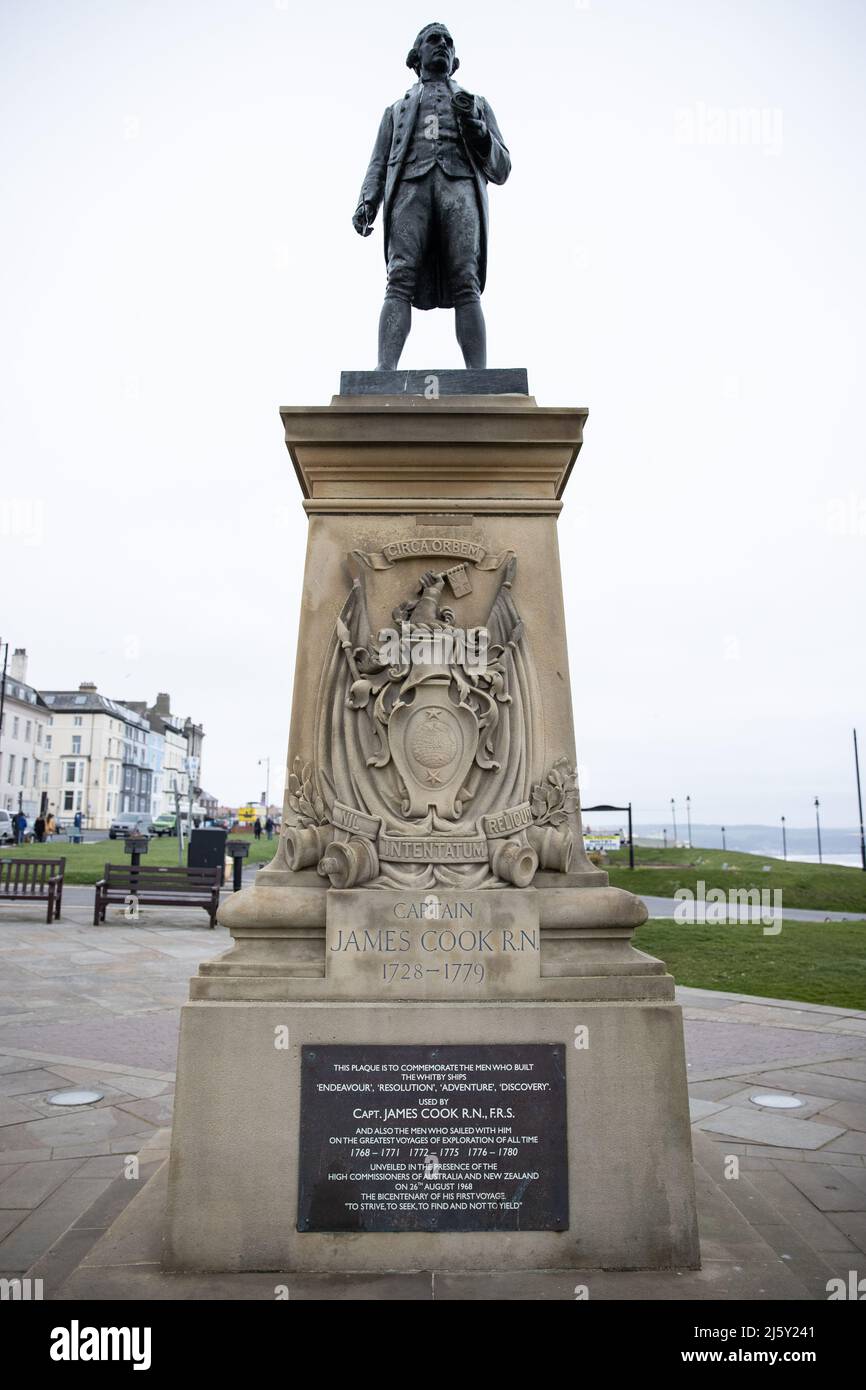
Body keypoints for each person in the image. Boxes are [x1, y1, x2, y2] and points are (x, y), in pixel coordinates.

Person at [353, 22, 511, 370]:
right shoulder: (396, 110)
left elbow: (502, 168)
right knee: (399, 278)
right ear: (416, 56)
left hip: (460, 189)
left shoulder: (477, 105)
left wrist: (478, 128)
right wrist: (367, 202)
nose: (442, 45)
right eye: (433, 40)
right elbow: (378, 163)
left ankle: (477, 377)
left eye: (448, 42)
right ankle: (385, 372)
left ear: (455, 59)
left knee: (466, 280)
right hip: (410, 191)